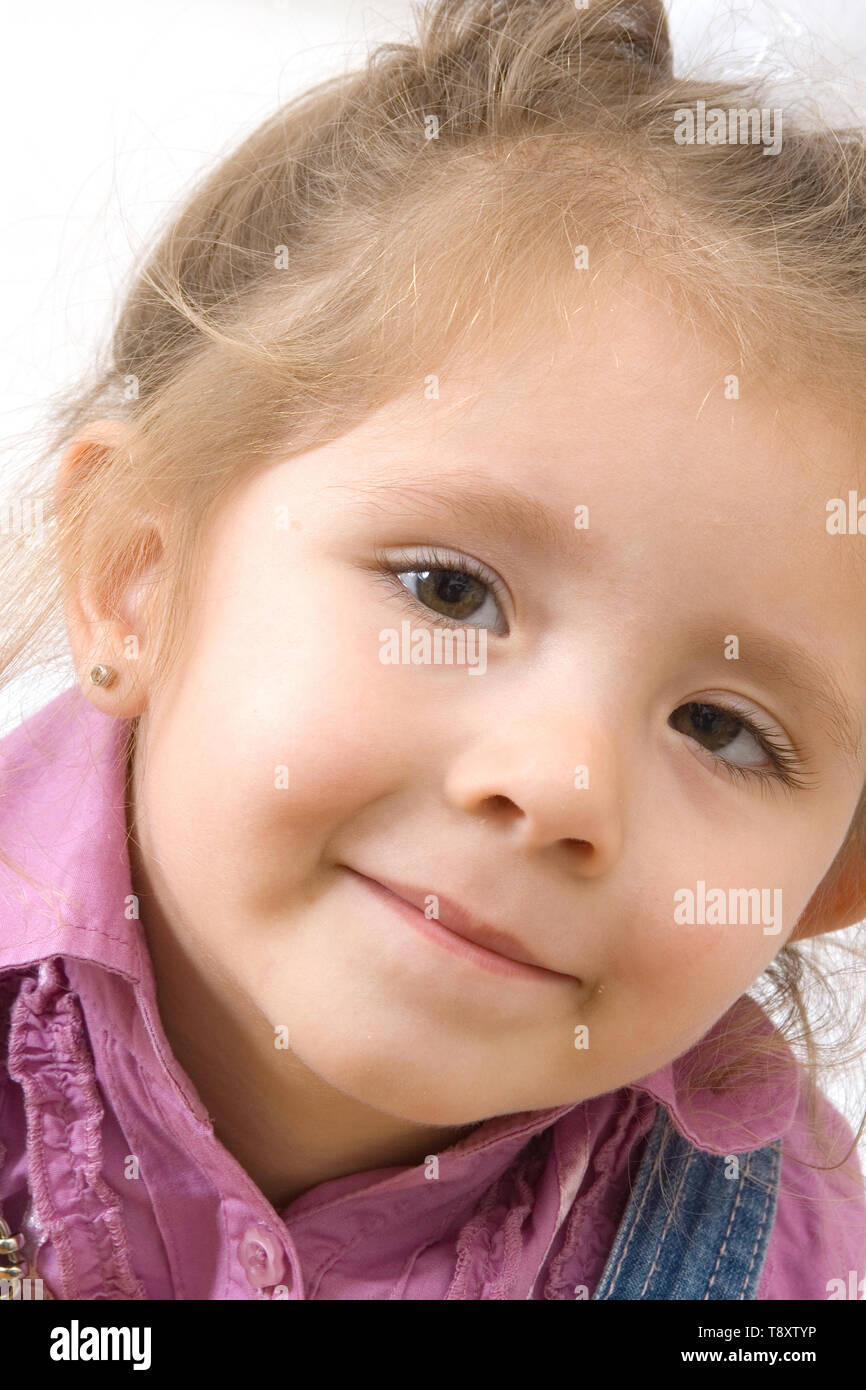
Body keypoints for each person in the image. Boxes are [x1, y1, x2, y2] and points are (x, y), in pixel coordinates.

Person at [0, 0, 864, 1300]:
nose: (561, 784)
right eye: (450, 591)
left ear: (835, 877)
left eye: (722, 728)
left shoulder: (793, 1275)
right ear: (140, 577)